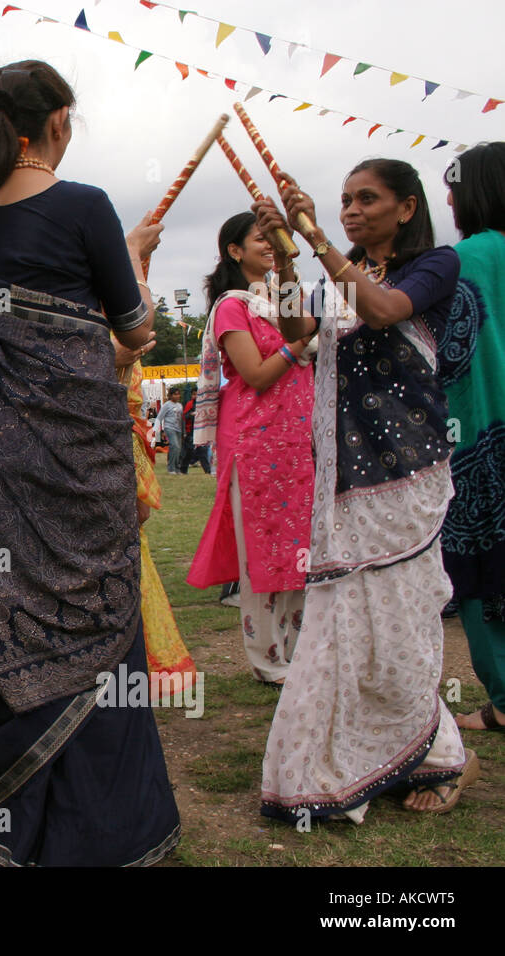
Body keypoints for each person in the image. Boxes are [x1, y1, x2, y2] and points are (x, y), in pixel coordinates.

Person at [0, 61, 179, 865]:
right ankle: (110, 828)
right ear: (61, 119)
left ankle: (18, 826)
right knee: (98, 618)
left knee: (4, 612)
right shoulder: (84, 208)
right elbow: (135, 334)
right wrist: (132, 255)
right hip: (80, 474)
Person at [256, 158, 476, 820]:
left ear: (406, 208)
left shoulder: (433, 267)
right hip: (345, 481)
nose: (351, 209)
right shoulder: (344, 273)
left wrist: (317, 238)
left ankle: (438, 754)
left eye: (367, 199)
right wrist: (287, 261)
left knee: (403, 619)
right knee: (347, 622)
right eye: (345, 199)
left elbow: (382, 313)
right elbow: (298, 334)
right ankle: (350, 759)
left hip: (405, 478)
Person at [187, 212, 314, 685]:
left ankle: (298, 654)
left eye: (274, 237)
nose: (271, 244)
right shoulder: (231, 307)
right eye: (261, 238)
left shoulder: (283, 297)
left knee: (301, 549)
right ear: (234, 251)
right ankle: (267, 660)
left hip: (299, 441)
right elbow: (256, 375)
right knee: (260, 552)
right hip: (254, 441)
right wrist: (300, 344)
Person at [436, 143, 505, 734]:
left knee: (483, 564)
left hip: (485, 436)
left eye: (454, 187)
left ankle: (504, 698)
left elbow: (457, 365)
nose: (450, 200)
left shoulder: (467, 260)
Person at [118, 344, 197, 689]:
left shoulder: (115, 340)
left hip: (118, 443)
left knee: (131, 542)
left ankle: (132, 665)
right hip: (110, 443)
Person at [156, 386, 184, 474]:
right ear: (171, 395)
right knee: (174, 446)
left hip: (178, 429)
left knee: (178, 449)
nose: (177, 396)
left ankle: (176, 468)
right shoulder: (167, 405)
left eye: (178, 394)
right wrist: (160, 430)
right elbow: (159, 417)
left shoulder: (180, 405)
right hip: (169, 428)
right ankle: (171, 468)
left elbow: (182, 418)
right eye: (175, 394)